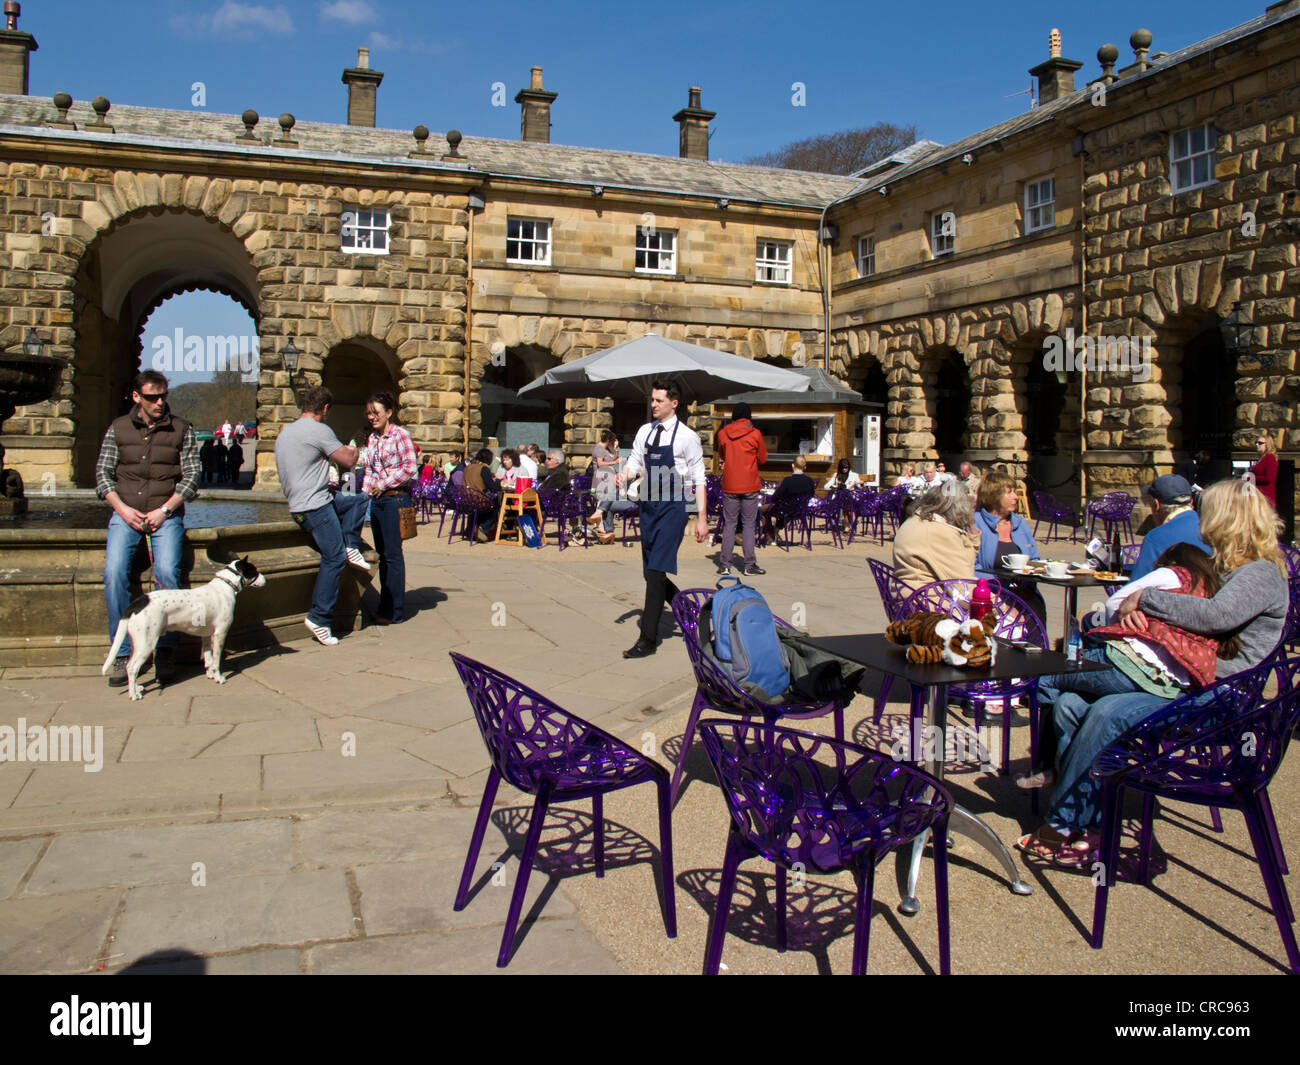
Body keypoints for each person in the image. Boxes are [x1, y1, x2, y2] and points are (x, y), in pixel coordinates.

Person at [1018, 479, 1289, 859]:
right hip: (1184, 675)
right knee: (1069, 705)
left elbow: (1216, 617)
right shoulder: (1226, 566)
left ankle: (1061, 822)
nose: (1201, 520)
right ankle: (1090, 822)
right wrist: (1141, 622)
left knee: (1105, 712)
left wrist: (1146, 600)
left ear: (1226, 519)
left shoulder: (1259, 572)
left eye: (1206, 512)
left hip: (1215, 694)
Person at [96, 370, 200, 687]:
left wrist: (165, 509)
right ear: (136, 397)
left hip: (165, 514)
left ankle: (165, 650)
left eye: (163, 396)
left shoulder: (182, 428)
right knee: (114, 572)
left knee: (168, 572)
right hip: (126, 511)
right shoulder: (118, 428)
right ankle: (126, 650)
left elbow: (193, 476)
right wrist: (122, 509)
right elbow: (103, 475)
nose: (159, 402)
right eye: (152, 397)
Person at [618, 380, 708, 658]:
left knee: (656, 572)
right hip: (648, 505)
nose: (653, 404)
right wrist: (626, 473)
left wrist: (702, 517)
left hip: (673, 507)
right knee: (650, 574)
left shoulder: (687, 437)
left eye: (659, 400)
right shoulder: (645, 431)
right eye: (652, 400)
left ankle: (648, 638)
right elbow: (635, 460)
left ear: (674, 403)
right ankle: (690, 610)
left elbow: (699, 479)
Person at [274, 386, 370, 645]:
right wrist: (353, 452)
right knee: (334, 557)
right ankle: (319, 617)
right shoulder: (319, 430)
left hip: (300, 504)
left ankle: (351, 544)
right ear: (325, 409)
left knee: (358, 499)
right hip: (315, 505)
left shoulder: (286, 432)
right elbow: (348, 461)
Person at [361, 392, 417, 625]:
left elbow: (410, 469)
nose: (372, 417)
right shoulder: (373, 438)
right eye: (369, 413)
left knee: (393, 556)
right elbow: (369, 471)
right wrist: (363, 497)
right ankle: (385, 606)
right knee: (383, 556)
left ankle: (394, 611)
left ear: (389, 412)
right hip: (378, 501)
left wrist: (381, 485)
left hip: (395, 500)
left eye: (376, 412)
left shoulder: (401, 435)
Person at [973, 469, 1046, 622]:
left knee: (1036, 611)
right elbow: (973, 565)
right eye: (1009, 492)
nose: (1016, 497)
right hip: (991, 593)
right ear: (993, 496)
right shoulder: (976, 522)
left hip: (1024, 593)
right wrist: (1002, 594)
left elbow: (1034, 559)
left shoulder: (1020, 523)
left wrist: (1027, 588)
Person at [891, 478, 978, 590]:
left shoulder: (915, 521)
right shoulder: (939, 532)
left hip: (910, 595)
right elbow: (964, 588)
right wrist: (1004, 606)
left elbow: (966, 563)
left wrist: (972, 534)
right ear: (958, 508)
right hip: (932, 602)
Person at [716, 402, 768, 576]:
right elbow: (762, 458)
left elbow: (722, 455)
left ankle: (724, 564)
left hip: (730, 483)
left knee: (729, 524)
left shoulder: (723, 434)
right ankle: (749, 564)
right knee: (748, 525)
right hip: (750, 483)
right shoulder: (755, 434)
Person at [1129, 473, 1210, 581]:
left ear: (1156, 505)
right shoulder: (1211, 528)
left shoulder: (1156, 537)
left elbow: (1137, 584)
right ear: (1191, 502)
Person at [761, 454, 816, 545]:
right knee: (787, 510)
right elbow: (811, 495)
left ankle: (770, 537)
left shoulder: (788, 481)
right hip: (801, 510)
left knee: (762, 511)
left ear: (793, 465)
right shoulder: (810, 481)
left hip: (786, 510)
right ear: (805, 467)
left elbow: (775, 497)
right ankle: (776, 529)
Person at [461, 447, 500, 542]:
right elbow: (493, 489)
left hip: (464, 500)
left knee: (476, 505)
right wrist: (498, 480)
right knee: (495, 506)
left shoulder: (467, 467)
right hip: (478, 500)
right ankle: (483, 529)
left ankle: (470, 528)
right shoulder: (484, 469)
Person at [1251, 431, 1278, 510]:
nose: (1257, 445)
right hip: (1258, 495)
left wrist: (1251, 478)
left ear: (1267, 444)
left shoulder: (1270, 458)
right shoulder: (1261, 458)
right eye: (1256, 443)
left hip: (1265, 496)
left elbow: (1269, 478)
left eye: (1260, 443)